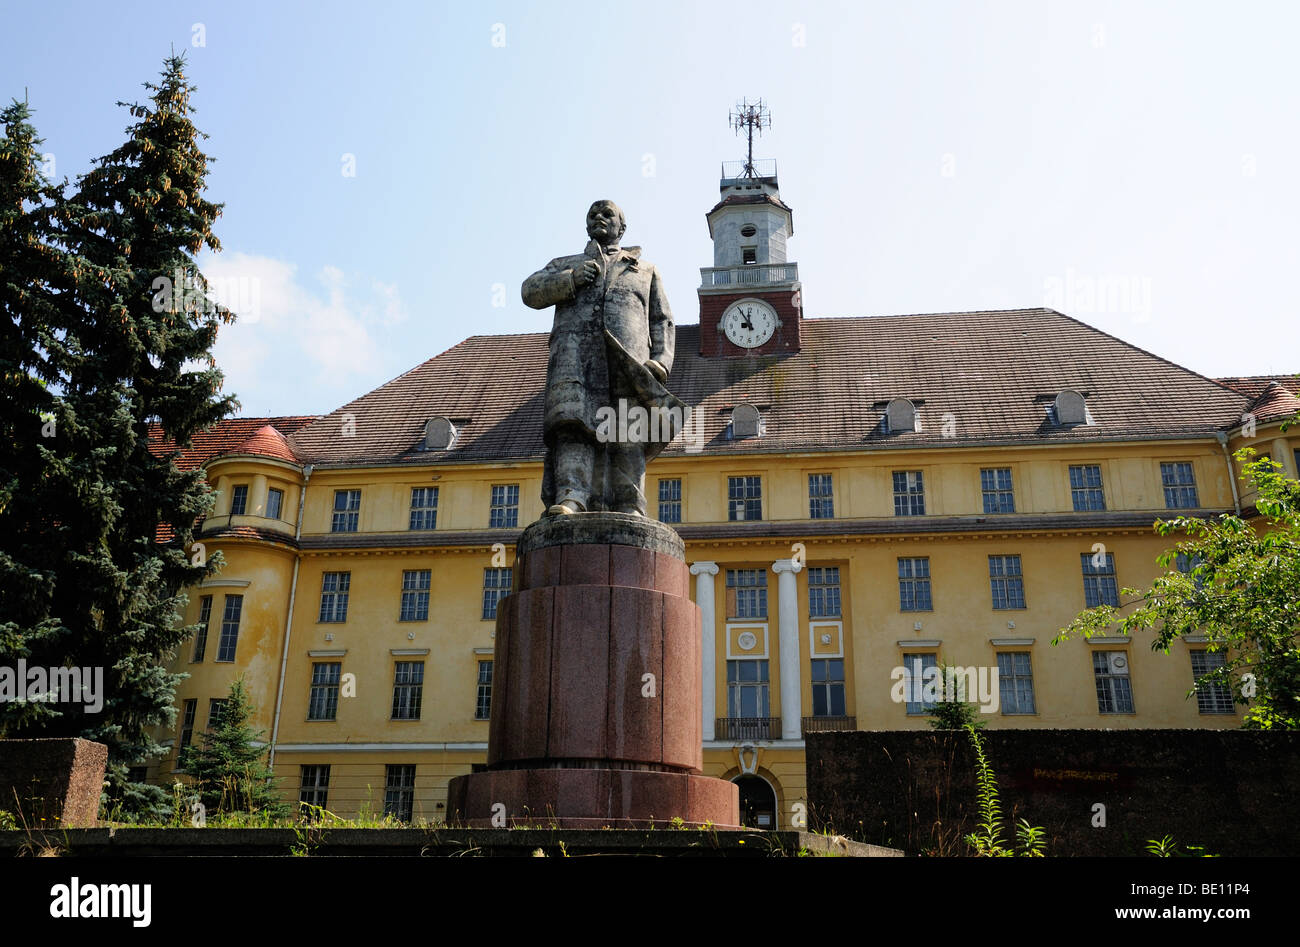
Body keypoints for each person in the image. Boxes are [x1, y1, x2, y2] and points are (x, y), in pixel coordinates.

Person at [522, 200, 677, 516]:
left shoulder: (645, 269)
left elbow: (661, 319)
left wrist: (661, 360)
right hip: (575, 359)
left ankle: (629, 504)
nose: (598, 218)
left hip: (628, 362)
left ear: (622, 226)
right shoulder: (566, 263)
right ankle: (571, 497)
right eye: (592, 214)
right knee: (573, 427)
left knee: (626, 432)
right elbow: (530, 291)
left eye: (607, 214)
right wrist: (570, 279)